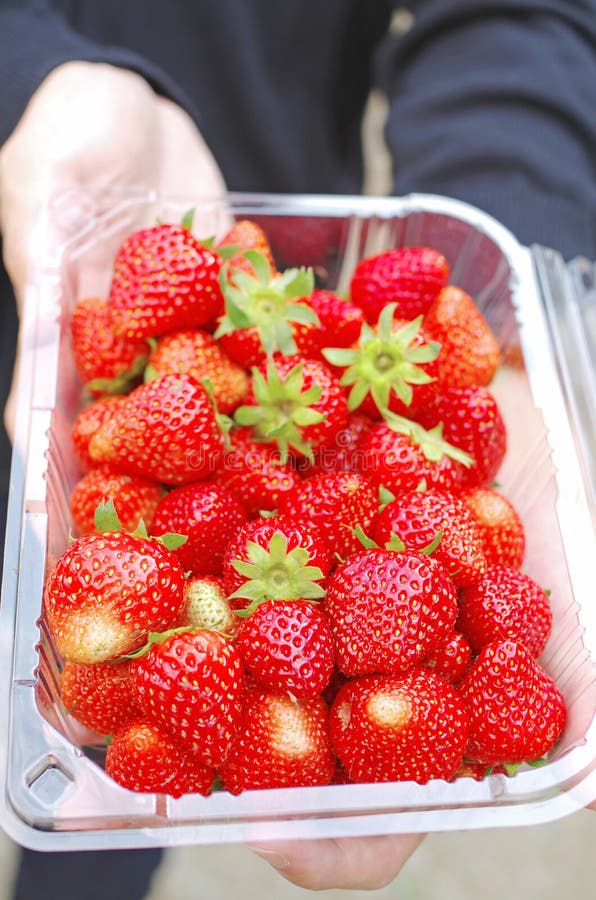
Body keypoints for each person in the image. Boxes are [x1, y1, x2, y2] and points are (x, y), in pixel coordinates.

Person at [0, 1, 595, 897]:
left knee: (113, 791)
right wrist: (33, 72)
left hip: (271, 271)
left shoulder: (295, 434)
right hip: (70, 284)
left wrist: (514, 266)